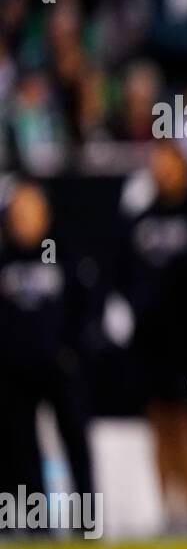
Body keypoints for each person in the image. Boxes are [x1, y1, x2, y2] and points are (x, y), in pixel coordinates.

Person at [120, 141, 187, 530]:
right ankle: (168, 511)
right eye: (158, 164)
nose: (163, 171)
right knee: (159, 421)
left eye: (170, 163)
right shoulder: (140, 218)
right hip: (151, 336)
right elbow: (122, 270)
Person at [0, 181, 95, 506]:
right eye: (18, 211)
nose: (24, 218)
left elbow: (86, 307)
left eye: (31, 209)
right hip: (15, 369)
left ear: (46, 214)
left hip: (61, 365)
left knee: (75, 439)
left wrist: (72, 350)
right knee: (21, 445)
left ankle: (87, 522)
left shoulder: (65, 254)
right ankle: (34, 522)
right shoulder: (5, 259)